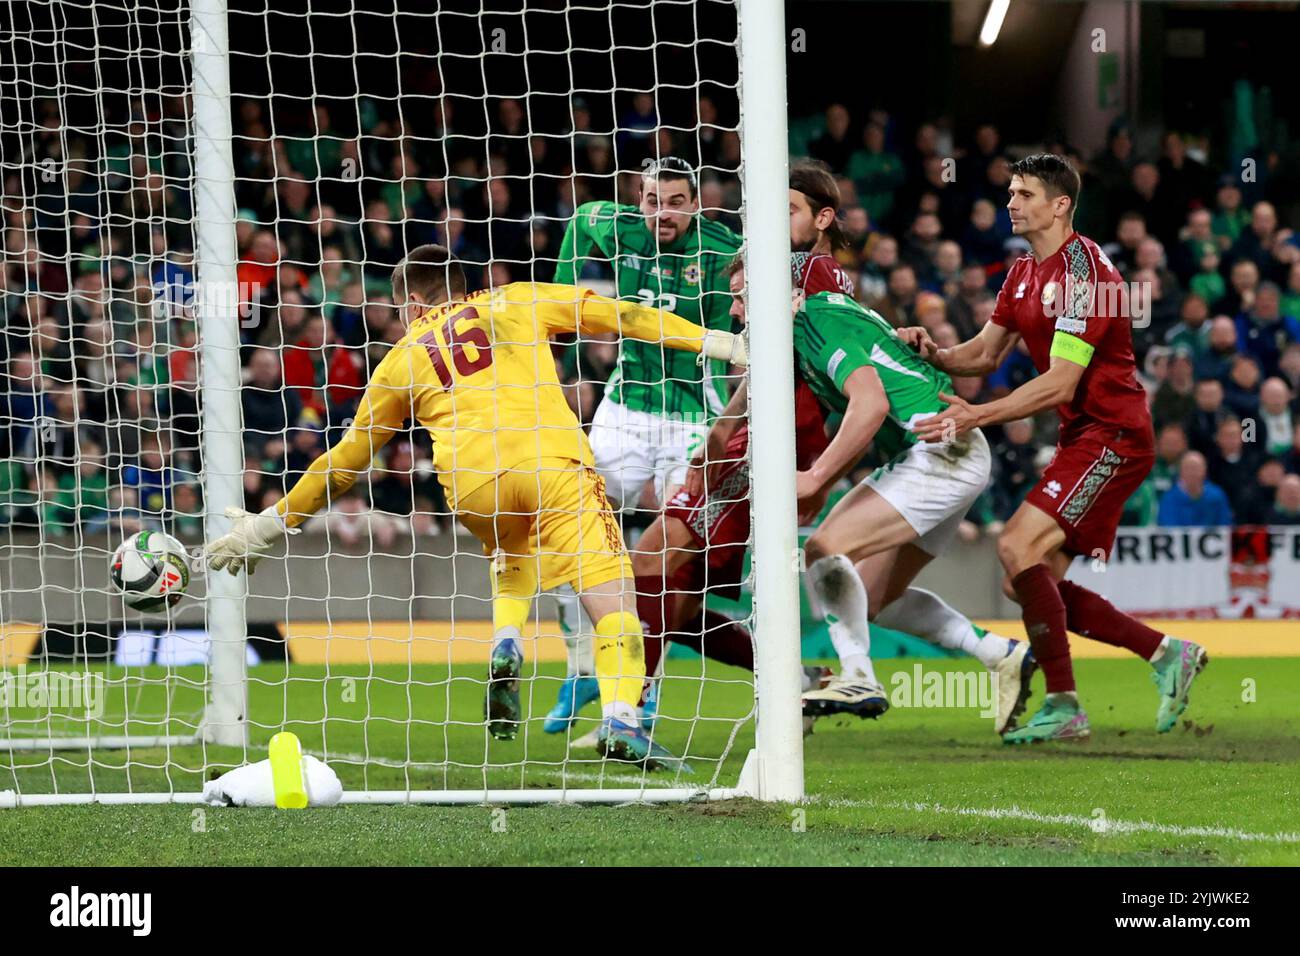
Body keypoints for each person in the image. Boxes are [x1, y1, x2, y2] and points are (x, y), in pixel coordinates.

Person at [204, 245, 747, 769]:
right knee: (615, 598)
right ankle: (621, 716)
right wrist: (718, 343)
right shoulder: (517, 299)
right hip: (551, 463)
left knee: (512, 549)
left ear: (412, 306)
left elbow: (344, 462)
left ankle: (507, 640)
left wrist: (268, 526)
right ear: (466, 288)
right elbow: (622, 315)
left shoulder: (401, 358)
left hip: (471, 486)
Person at [906, 154, 1208, 742]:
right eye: (1011, 192)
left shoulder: (1085, 274)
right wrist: (934, 354)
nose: (1011, 203)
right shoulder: (1023, 271)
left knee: (1018, 545)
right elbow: (985, 354)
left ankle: (1065, 702)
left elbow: (1062, 382)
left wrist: (978, 415)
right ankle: (1166, 653)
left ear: (1060, 204)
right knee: (1024, 576)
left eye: (1023, 194)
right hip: (1084, 435)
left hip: (1113, 434)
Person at [543, 158, 744, 733]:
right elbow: (581, 218)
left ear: (695, 203)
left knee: (666, 561)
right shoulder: (618, 224)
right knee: (567, 523)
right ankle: (583, 666)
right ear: (640, 197)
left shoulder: (722, 246)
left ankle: (643, 686)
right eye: (654, 200)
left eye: (677, 201)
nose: (664, 213)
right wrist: (560, 296)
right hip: (624, 410)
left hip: (691, 415)